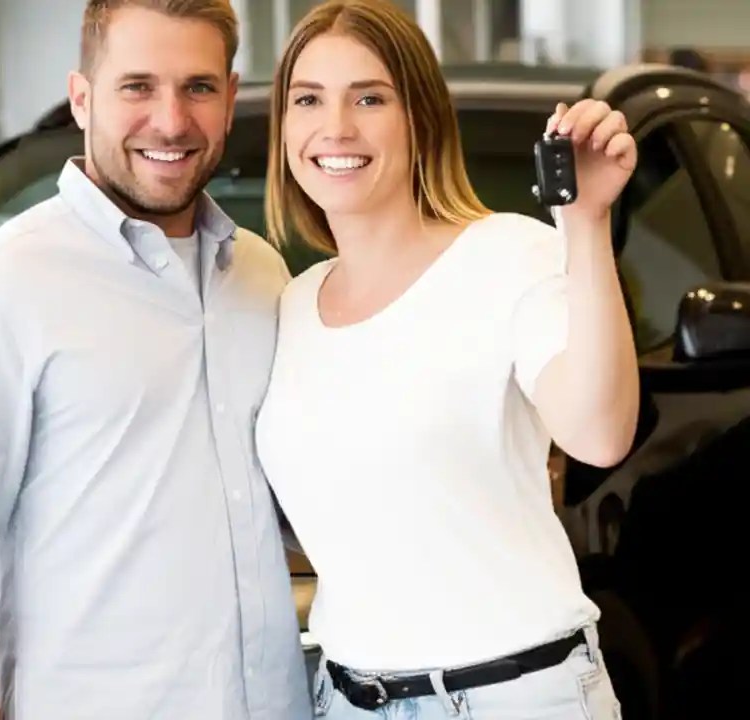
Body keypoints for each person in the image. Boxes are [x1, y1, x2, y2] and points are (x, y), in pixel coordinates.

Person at [0, 1, 310, 719]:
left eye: (199, 88)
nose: (172, 121)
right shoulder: (2, 286)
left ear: (232, 98)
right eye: (137, 86)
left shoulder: (263, 276)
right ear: (82, 98)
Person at [253, 1, 639, 717]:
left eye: (369, 97)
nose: (335, 127)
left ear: (420, 118)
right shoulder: (289, 304)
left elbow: (598, 432)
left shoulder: (508, 255)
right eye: (308, 99)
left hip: (513, 695)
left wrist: (585, 224)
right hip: (345, 697)